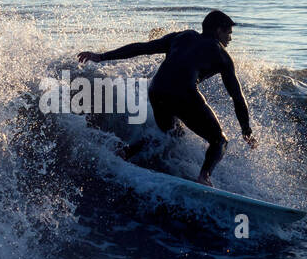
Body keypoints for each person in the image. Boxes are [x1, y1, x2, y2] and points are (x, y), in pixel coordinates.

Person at [77, 10, 256, 186]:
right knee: (219, 141)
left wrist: (101, 56)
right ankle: (204, 177)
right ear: (218, 30)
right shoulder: (222, 56)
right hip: (183, 92)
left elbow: (143, 48)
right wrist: (246, 131)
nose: (230, 39)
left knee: (170, 135)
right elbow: (237, 98)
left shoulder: (183, 36)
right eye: (228, 33)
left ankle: (124, 153)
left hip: (157, 89)